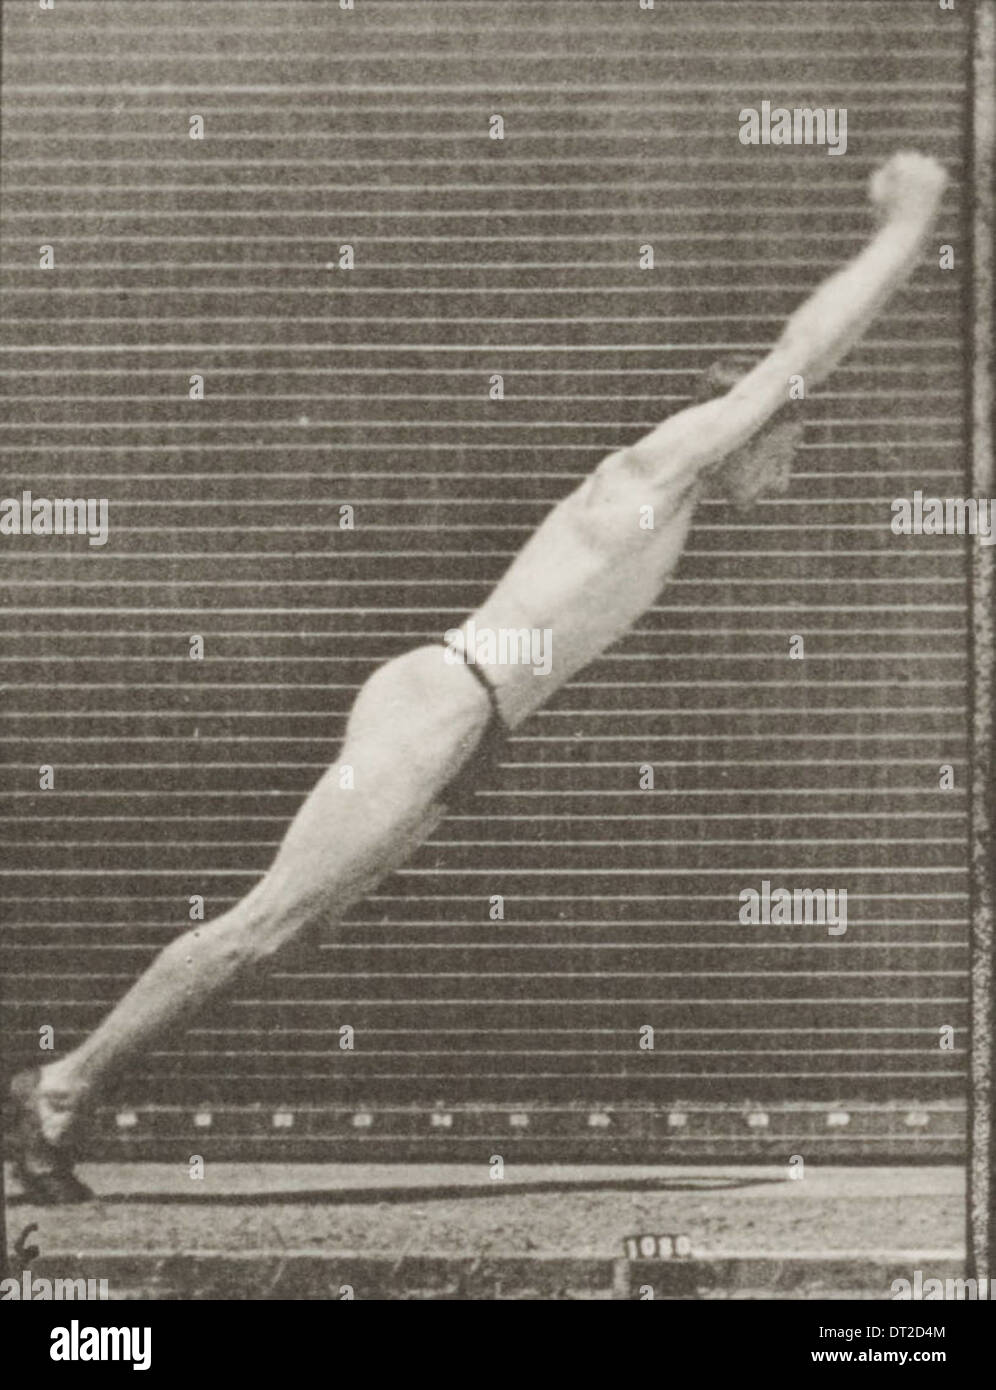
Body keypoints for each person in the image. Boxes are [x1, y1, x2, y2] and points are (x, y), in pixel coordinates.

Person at [7, 152, 948, 1203]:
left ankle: (65, 1081)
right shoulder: (660, 466)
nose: (790, 472)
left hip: (465, 720)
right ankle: (58, 1084)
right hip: (441, 701)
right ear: (746, 426)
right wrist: (907, 227)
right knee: (262, 922)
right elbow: (800, 354)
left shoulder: (670, 505)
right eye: (789, 448)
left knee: (290, 933)